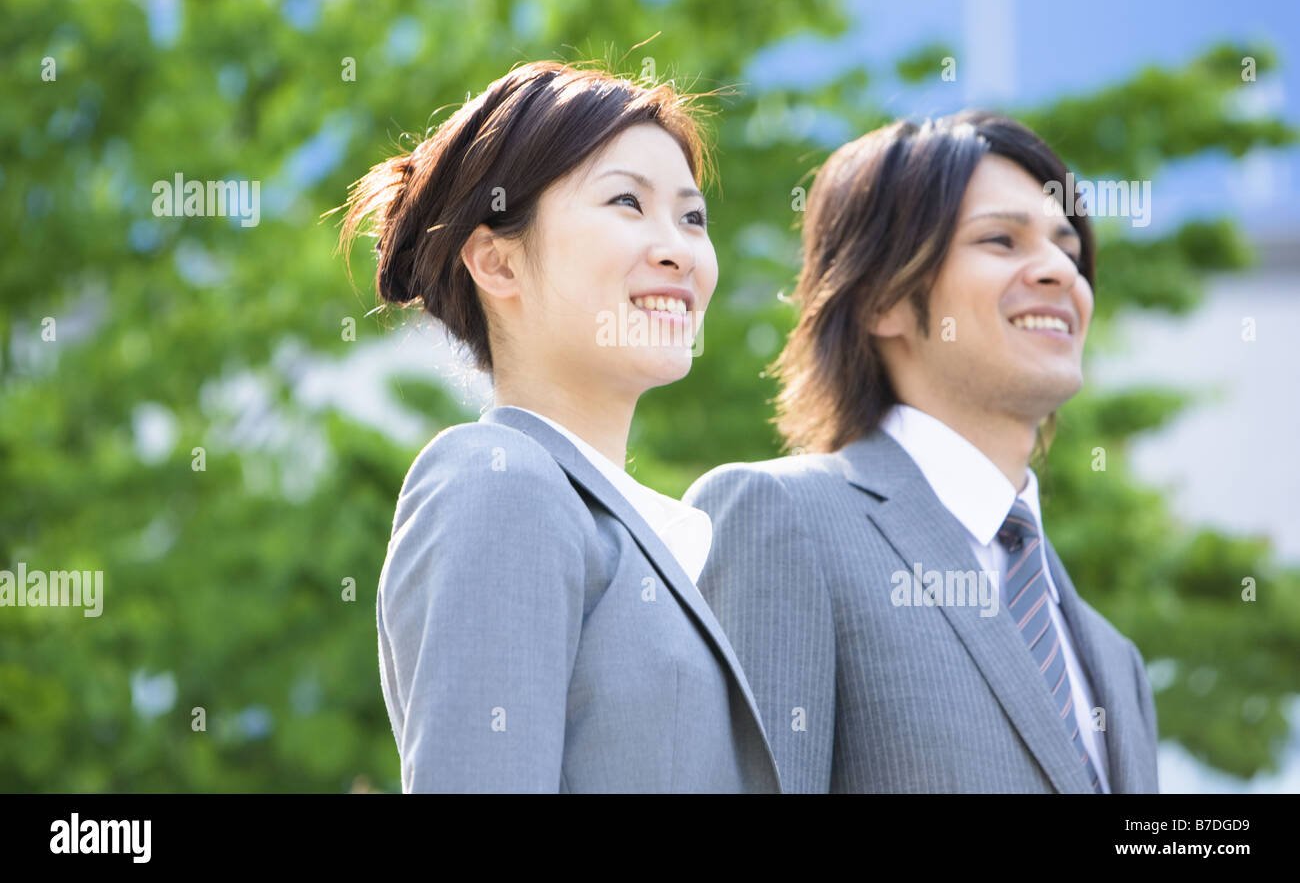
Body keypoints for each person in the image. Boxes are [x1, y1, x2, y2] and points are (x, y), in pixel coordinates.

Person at [334, 60, 780, 793]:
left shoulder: (654, 534)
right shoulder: (497, 481)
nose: (678, 249)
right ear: (497, 263)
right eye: (627, 203)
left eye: (692, 216)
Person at [684, 111, 1160, 793]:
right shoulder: (783, 522)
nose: (1060, 270)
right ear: (883, 299)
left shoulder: (1116, 662)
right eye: (1002, 240)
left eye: (1070, 249)